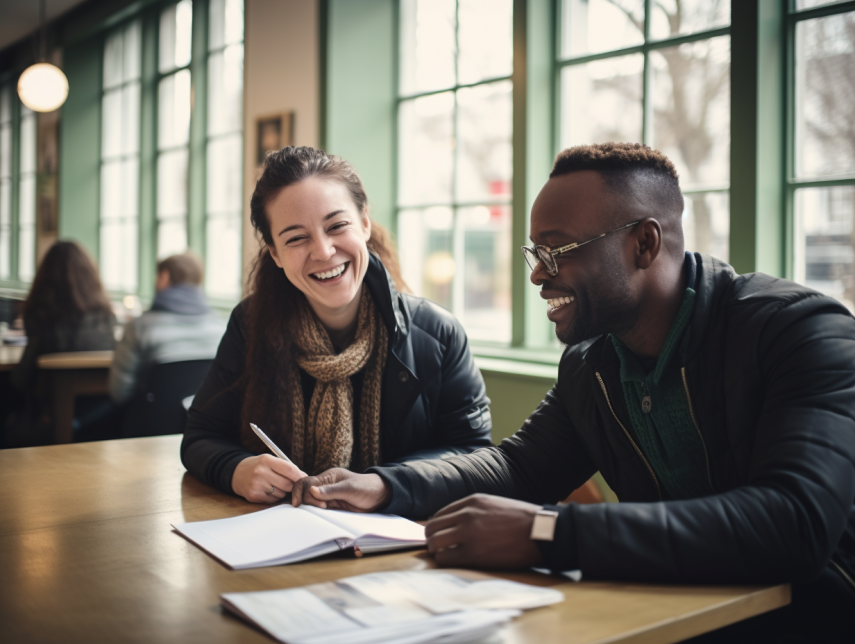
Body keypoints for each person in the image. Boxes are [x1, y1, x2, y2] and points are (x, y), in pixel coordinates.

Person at [289, 143, 855, 642]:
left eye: (557, 251)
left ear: (644, 243)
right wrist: (384, 485)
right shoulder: (592, 361)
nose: (538, 275)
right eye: (536, 253)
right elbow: (519, 467)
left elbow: (795, 522)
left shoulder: (798, 331)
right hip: (675, 614)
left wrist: (546, 531)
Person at [181, 146, 492, 504]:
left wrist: (385, 485)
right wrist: (235, 469)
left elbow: (473, 453)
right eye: (296, 238)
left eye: (337, 226)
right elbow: (200, 436)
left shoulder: (438, 334)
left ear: (364, 222)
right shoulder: (249, 325)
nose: (324, 251)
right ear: (275, 254)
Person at [7, 240, 116, 446]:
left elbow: (22, 379)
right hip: (101, 412)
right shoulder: (106, 316)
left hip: (51, 414)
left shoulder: (39, 316)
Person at [109, 252, 226, 404]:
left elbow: (120, 391)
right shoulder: (221, 327)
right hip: (202, 424)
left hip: (151, 423)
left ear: (164, 277)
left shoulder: (139, 328)